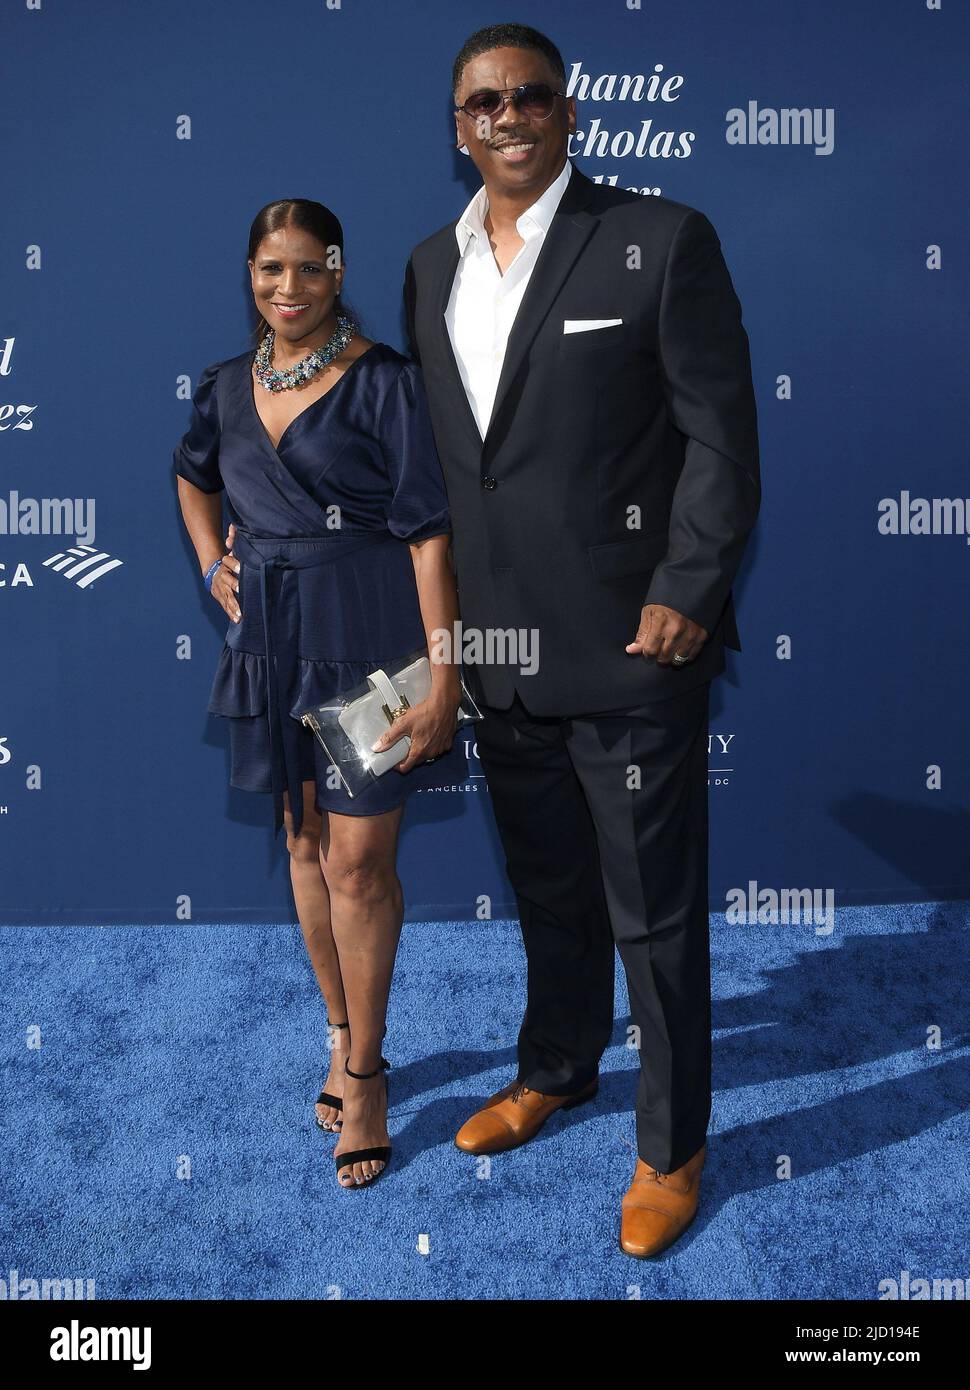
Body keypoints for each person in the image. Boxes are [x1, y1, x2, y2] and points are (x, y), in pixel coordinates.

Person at [404, 24, 760, 1255]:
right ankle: (556, 1067)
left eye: (529, 96)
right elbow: (460, 471)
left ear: (568, 113)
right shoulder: (425, 266)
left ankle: (673, 1148)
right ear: (459, 128)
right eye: (481, 102)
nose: (506, 115)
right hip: (501, 650)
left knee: (653, 910)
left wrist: (691, 587)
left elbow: (719, 437)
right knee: (551, 890)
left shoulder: (660, 240)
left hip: (632, 643)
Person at [174, 198, 468, 1190]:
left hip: (377, 650)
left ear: (337, 272)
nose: (288, 289)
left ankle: (372, 1074)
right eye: (269, 270)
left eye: (307, 268)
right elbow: (192, 477)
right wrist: (216, 561)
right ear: (249, 276)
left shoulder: (384, 382)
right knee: (304, 843)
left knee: (358, 864)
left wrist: (446, 668)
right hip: (274, 644)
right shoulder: (221, 387)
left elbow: (429, 533)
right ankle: (340, 1037)